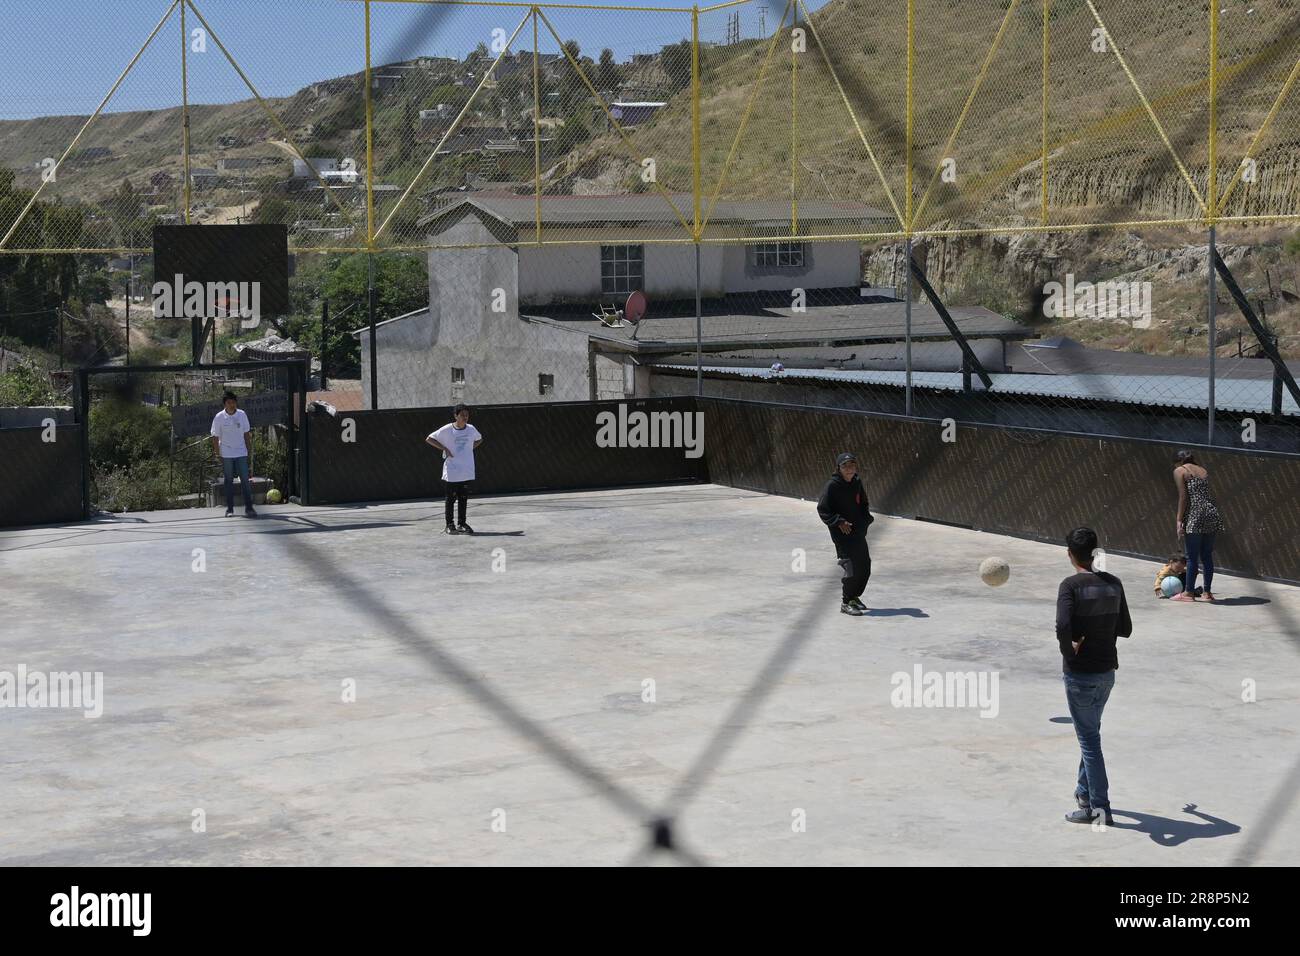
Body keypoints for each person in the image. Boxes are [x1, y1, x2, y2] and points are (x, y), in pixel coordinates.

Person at [1056, 527, 1132, 826]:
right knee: (1091, 733)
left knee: (1089, 741)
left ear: (1070, 554)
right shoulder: (1114, 584)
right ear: (1095, 551)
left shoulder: (1070, 586)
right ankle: (1084, 792)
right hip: (1106, 674)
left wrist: (1069, 651)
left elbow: (1063, 626)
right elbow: (1125, 628)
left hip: (1081, 675)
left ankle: (1099, 809)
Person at [816, 452, 873, 616]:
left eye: (852, 465)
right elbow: (823, 509)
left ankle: (854, 597)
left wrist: (865, 521)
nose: (849, 469)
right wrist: (839, 522)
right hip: (842, 534)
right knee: (851, 567)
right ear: (838, 468)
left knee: (865, 566)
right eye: (845, 466)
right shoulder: (832, 486)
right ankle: (846, 602)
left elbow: (863, 503)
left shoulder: (857, 482)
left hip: (857, 532)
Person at [1173, 450, 1224, 603]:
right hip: (1211, 513)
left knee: (1191, 557)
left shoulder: (1179, 470)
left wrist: (1179, 519)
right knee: (1207, 555)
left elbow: (1183, 496)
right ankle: (1207, 593)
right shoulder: (1202, 470)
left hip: (1195, 513)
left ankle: (1188, 593)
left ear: (1178, 462)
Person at [425, 404, 483, 535]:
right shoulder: (447, 429)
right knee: (450, 499)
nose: (465, 417)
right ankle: (449, 524)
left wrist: (469, 447)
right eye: (462, 415)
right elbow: (429, 439)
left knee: (463, 498)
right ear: (455, 416)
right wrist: (444, 448)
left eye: (467, 415)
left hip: (466, 470)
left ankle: (462, 523)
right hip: (452, 471)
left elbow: (479, 439)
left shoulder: (471, 429)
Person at [210, 390, 256, 517]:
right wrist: (218, 454)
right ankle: (229, 509)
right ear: (225, 404)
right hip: (226, 453)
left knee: (245, 480)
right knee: (228, 480)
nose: (232, 405)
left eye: (234, 402)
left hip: (241, 451)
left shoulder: (242, 414)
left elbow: (246, 433)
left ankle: (249, 508)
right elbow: (215, 437)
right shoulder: (219, 417)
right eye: (229, 403)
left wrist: (248, 450)